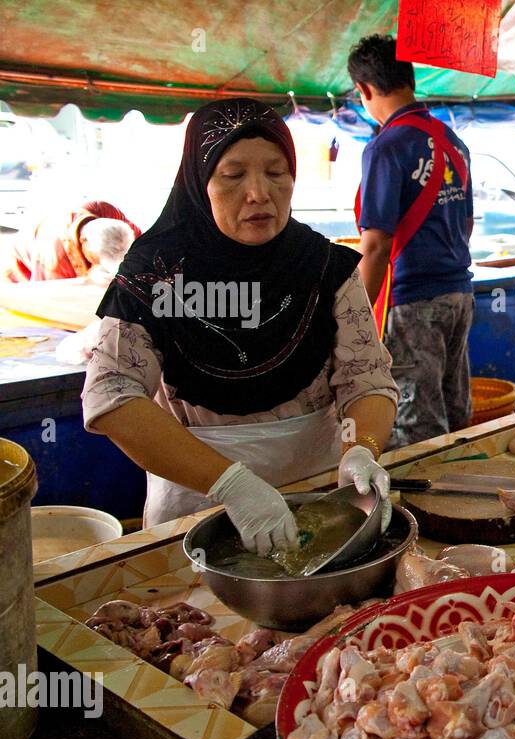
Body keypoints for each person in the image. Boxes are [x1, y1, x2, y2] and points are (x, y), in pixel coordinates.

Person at [84, 98, 398, 555]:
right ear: (200, 182)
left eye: (276, 172)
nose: (258, 193)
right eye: (233, 175)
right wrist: (231, 484)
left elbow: (366, 376)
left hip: (320, 496)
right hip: (197, 506)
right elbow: (112, 397)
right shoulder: (156, 274)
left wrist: (362, 447)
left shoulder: (323, 267)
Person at [349, 34, 474, 448]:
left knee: (416, 427)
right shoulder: (453, 141)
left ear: (365, 89)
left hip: (414, 303)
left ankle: (426, 492)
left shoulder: (386, 147)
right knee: (455, 413)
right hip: (460, 295)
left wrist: (356, 320)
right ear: (410, 78)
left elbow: (376, 246)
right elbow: (467, 223)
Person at [3, 201, 139, 283]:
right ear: (84, 243)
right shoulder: (55, 263)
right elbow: (52, 304)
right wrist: (90, 277)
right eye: (101, 261)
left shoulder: (104, 210)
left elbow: (145, 245)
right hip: (23, 270)